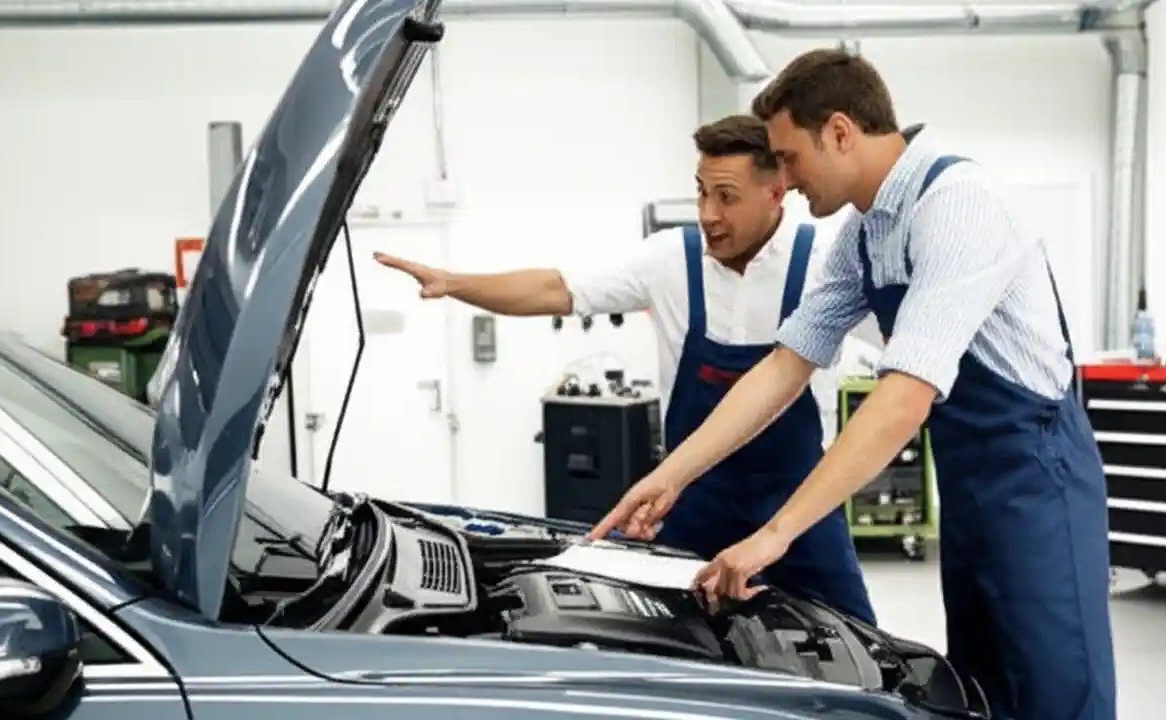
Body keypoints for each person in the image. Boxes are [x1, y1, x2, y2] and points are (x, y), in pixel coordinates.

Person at [588, 49, 1116, 720]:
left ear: (839, 131)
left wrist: (775, 535)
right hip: (970, 486)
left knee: (1056, 695)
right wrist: (671, 475)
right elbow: (785, 365)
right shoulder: (864, 234)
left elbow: (903, 398)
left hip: (1040, 482)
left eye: (787, 157)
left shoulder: (956, 205)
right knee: (984, 693)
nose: (783, 177)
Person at [375, 113, 877, 627]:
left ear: (777, 192)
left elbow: (899, 346)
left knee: (863, 641)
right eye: (701, 193)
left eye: (726, 197)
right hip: (689, 499)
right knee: (667, 639)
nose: (707, 213)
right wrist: (455, 282)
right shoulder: (670, 261)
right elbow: (559, 290)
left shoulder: (824, 265)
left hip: (798, 510)